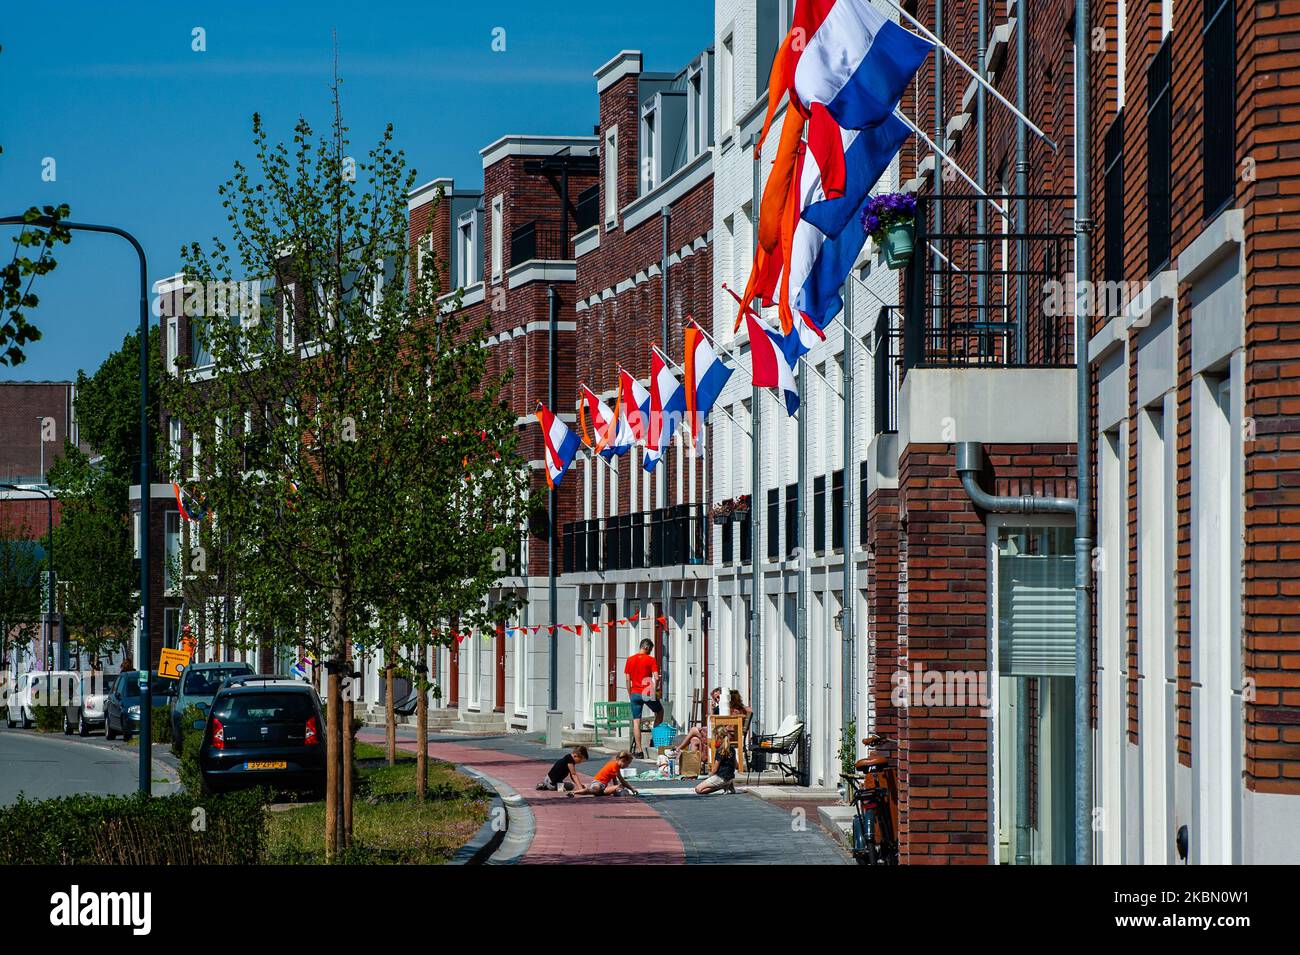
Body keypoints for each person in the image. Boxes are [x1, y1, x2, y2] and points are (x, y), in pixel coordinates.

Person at [624, 638, 663, 757]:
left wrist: (630, 693)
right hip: (647, 692)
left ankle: (639, 750)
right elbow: (656, 677)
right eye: (650, 649)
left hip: (634, 693)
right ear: (646, 648)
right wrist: (654, 689)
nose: (651, 652)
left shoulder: (630, 660)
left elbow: (627, 679)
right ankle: (653, 740)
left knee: (636, 721)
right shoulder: (651, 660)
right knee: (660, 712)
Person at [672, 687, 722, 754]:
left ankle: (678, 748)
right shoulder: (717, 708)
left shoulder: (725, 708)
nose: (717, 700)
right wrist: (712, 709)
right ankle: (694, 762)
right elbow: (710, 722)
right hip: (713, 731)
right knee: (694, 740)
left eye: (718, 697)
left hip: (717, 733)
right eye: (715, 699)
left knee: (693, 730)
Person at [570, 751, 639, 797]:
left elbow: (614, 779)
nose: (627, 766)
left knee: (619, 787)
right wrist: (632, 789)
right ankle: (574, 792)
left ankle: (598, 792)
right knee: (592, 790)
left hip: (603, 787)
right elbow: (621, 780)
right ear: (623, 761)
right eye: (628, 764)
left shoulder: (616, 766)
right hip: (598, 783)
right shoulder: (614, 764)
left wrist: (615, 788)